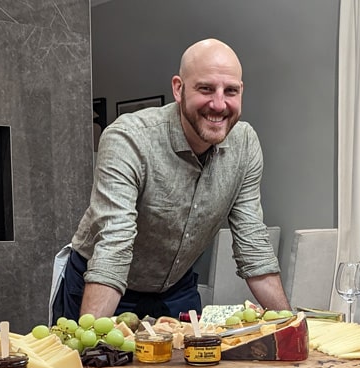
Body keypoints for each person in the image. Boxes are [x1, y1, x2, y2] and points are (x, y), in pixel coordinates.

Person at [54, 38, 291, 320]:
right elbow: (113, 246)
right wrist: (91, 341)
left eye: (230, 91)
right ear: (178, 89)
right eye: (205, 88)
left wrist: (293, 328)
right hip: (103, 286)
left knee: (195, 361)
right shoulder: (129, 139)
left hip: (177, 290)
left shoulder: (246, 144)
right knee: (92, 362)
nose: (219, 104)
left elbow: (252, 243)